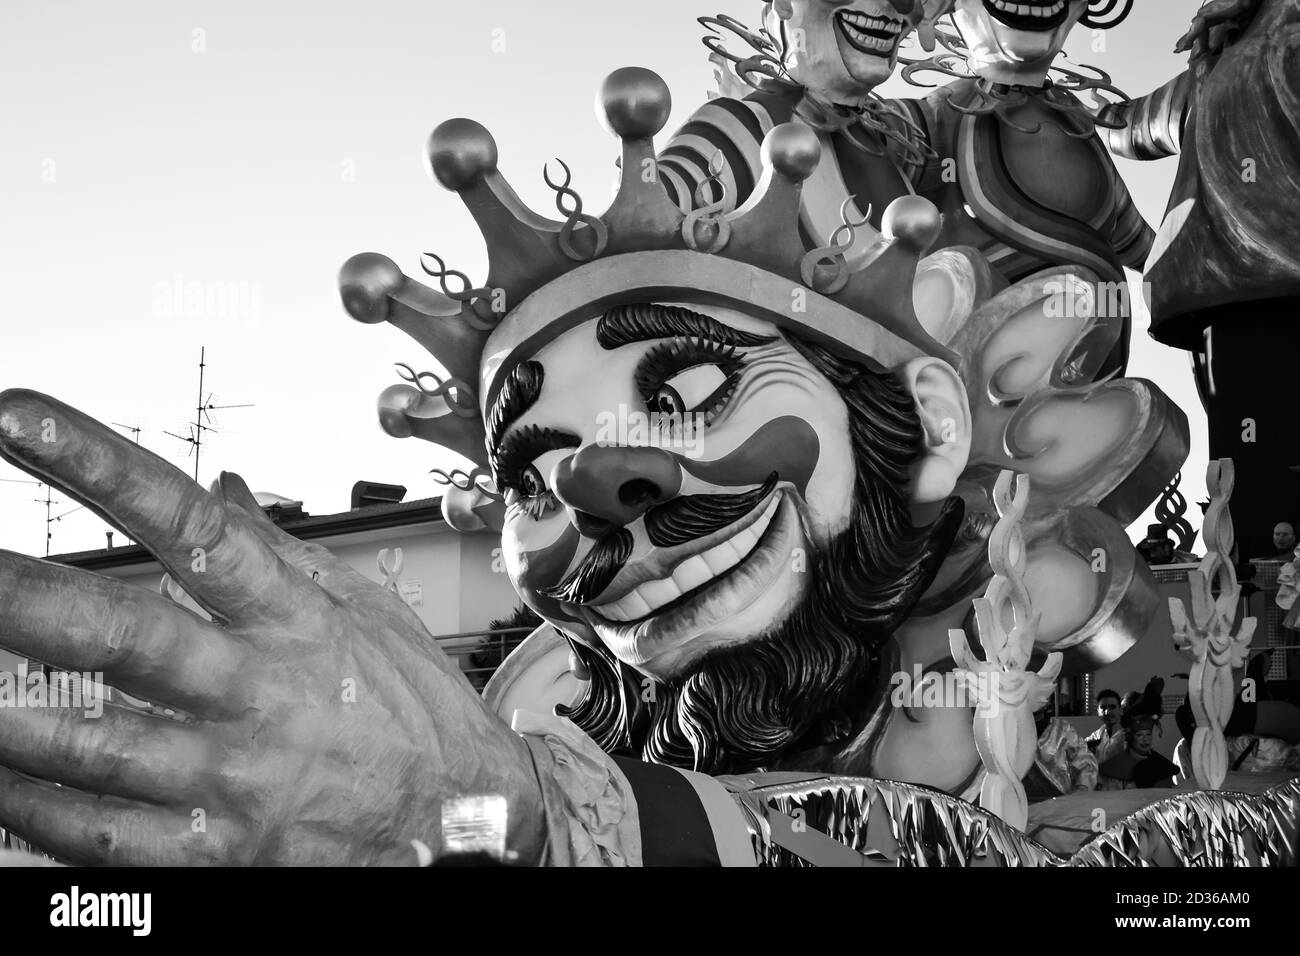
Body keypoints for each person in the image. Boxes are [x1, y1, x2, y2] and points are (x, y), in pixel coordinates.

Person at [1085, 689, 1123, 756]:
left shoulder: (1128, 735)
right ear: (1098, 711)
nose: (1107, 712)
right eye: (1103, 707)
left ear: (1120, 710)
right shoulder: (1098, 734)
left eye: (1112, 707)